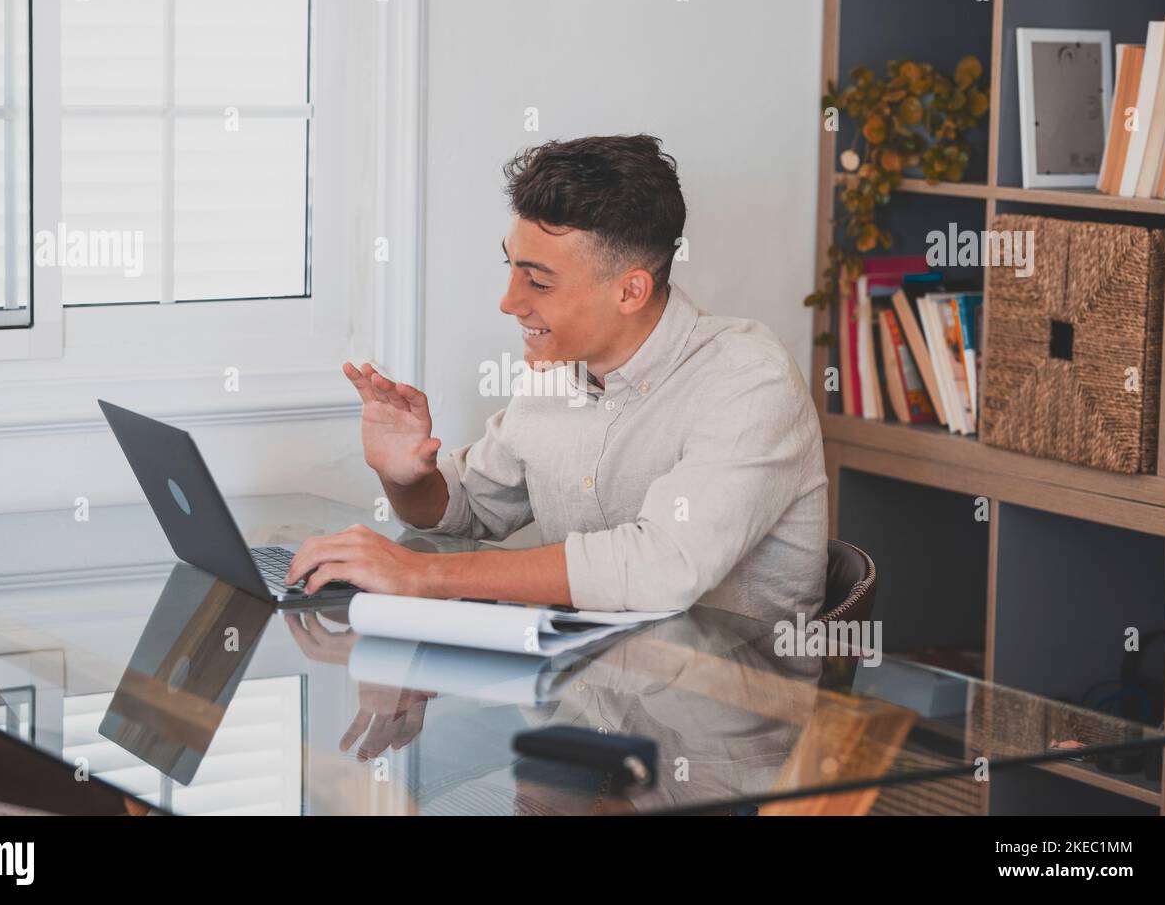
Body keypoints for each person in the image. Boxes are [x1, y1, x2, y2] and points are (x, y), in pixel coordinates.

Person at [286, 134, 827, 620]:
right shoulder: (555, 373)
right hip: (579, 696)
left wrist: (420, 576)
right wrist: (405, 477)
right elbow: (468, 510)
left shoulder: (748, 380)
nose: (508, 303)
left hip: (725, 707)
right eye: (511, 269)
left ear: (630, 291)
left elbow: (663, 566)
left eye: (539, 283)